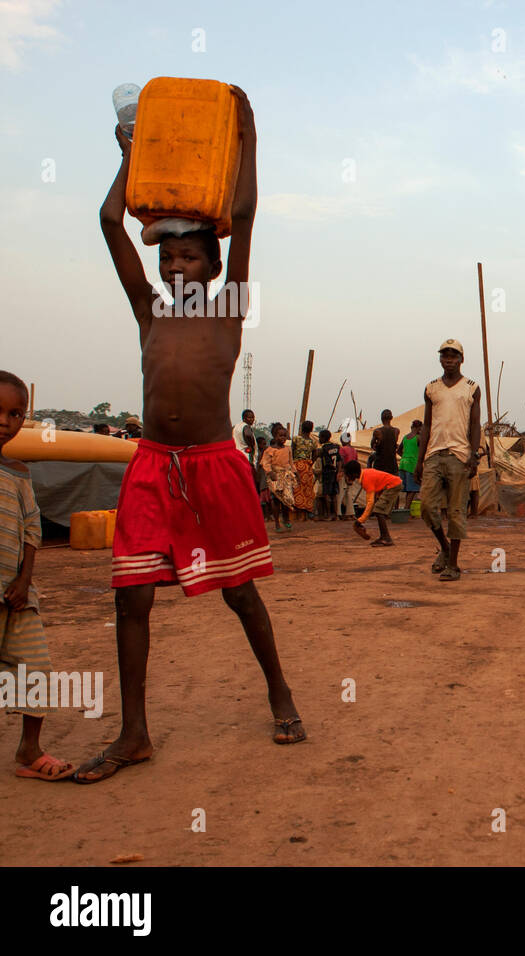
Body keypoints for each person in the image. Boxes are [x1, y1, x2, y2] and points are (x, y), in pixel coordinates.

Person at [81, 88, 304, 784]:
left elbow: (241, 216)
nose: (174, 267)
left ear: (213, 268)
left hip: (212, 465)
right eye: (167, 257)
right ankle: (135, 733)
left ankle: (280, 693)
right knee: (132, 597)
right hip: (152, 465)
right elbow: (108, 221)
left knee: (240, 594)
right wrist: (126, 159)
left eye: (188, 258)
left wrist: (250, 135)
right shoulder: (148, 312)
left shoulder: (230, 313)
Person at [0, 373, 75, 780]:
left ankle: (30, 750)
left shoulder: (19, 472)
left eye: (14, 413)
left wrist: (24, 581)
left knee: (38, 668)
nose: (5, 421)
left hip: (16, 595)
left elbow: (32, 530)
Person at [416, 340, 481, 582]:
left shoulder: (471, 388)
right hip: (434, 454)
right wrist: (419, 460)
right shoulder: (431, 388)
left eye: (454, 356)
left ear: (461, 359)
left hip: (459, 455)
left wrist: (473, 455)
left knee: (455, 512)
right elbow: (427, 425)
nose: (449, 360)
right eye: (445, 356)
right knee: (426, 507)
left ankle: (453, 564)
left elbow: (475, 424)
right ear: (440, 359)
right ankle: (443, 547)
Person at [344, 460, 402, 547]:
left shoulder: (366, 479)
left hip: (392, 486)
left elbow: (370, 503)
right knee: (378, 510)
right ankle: (384, 536)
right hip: (392, 485)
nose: (347, 477)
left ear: (354, 474)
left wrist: (360, 521)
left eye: (348, 475)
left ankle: (386, 538)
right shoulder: (365, 473)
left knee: (378, 511)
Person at [260, 424, 295, 532]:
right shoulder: (270, 450)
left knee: (286, 499)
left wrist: (295, 473)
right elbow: (265, 463)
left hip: (286, 476)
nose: (283, 438)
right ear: (275, 437)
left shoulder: (288, 449)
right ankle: (277, 523)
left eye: (284, 436)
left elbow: (291, 463)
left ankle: (286, 519)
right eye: (280, 436)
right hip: (275, 477)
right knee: (276, 500)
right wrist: (270, 473)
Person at [290, 421, 316, 520]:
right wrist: (310, 463)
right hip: (307, 466)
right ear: (311, 429)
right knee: (307, 488)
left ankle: (298, 508)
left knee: (296, 487)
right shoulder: (313, 442)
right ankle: (307, 510)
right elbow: (314, 454)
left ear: (301, 428)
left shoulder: (296, 439)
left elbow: (291, 452)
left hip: (297, 465)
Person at [317, 428, 341, 520]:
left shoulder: (324, 449)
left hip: (327, 473)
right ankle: (335, 515)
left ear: (323, 438)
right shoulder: (336, 447)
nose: (319, 439)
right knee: (334, 494)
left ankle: (328, 514)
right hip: (335, 473)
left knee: (327, 494)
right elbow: (339, 460)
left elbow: (327, 462)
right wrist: (338, 472)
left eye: (320, 437)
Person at [398, 419, 422, 508]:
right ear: (419, 428)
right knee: (412, 489)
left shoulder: (405, 437)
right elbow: (422, 451)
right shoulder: (418, 437)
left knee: (405, 488)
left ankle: (404, 509)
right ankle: (406, 509)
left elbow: (398, 450)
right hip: (412, 465)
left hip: (403, 464)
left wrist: (405, 456)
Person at [370, 410, 400, 476]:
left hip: (379, 466)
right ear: (391, 418)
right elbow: (394, 444)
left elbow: (372, 445)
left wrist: (377, 445)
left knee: (370, 459)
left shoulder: (377, 432)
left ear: (381, 419)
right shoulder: (396, 431)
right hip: (392, 466)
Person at [234, 408, 256, 476]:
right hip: (246, 457)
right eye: (249, 417)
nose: (252, 419)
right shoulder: (246, 426)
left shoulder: (236, 427)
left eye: (253, 417)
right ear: (244, 418)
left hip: (236, 456)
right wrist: (252, 446)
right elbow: (248, 435)